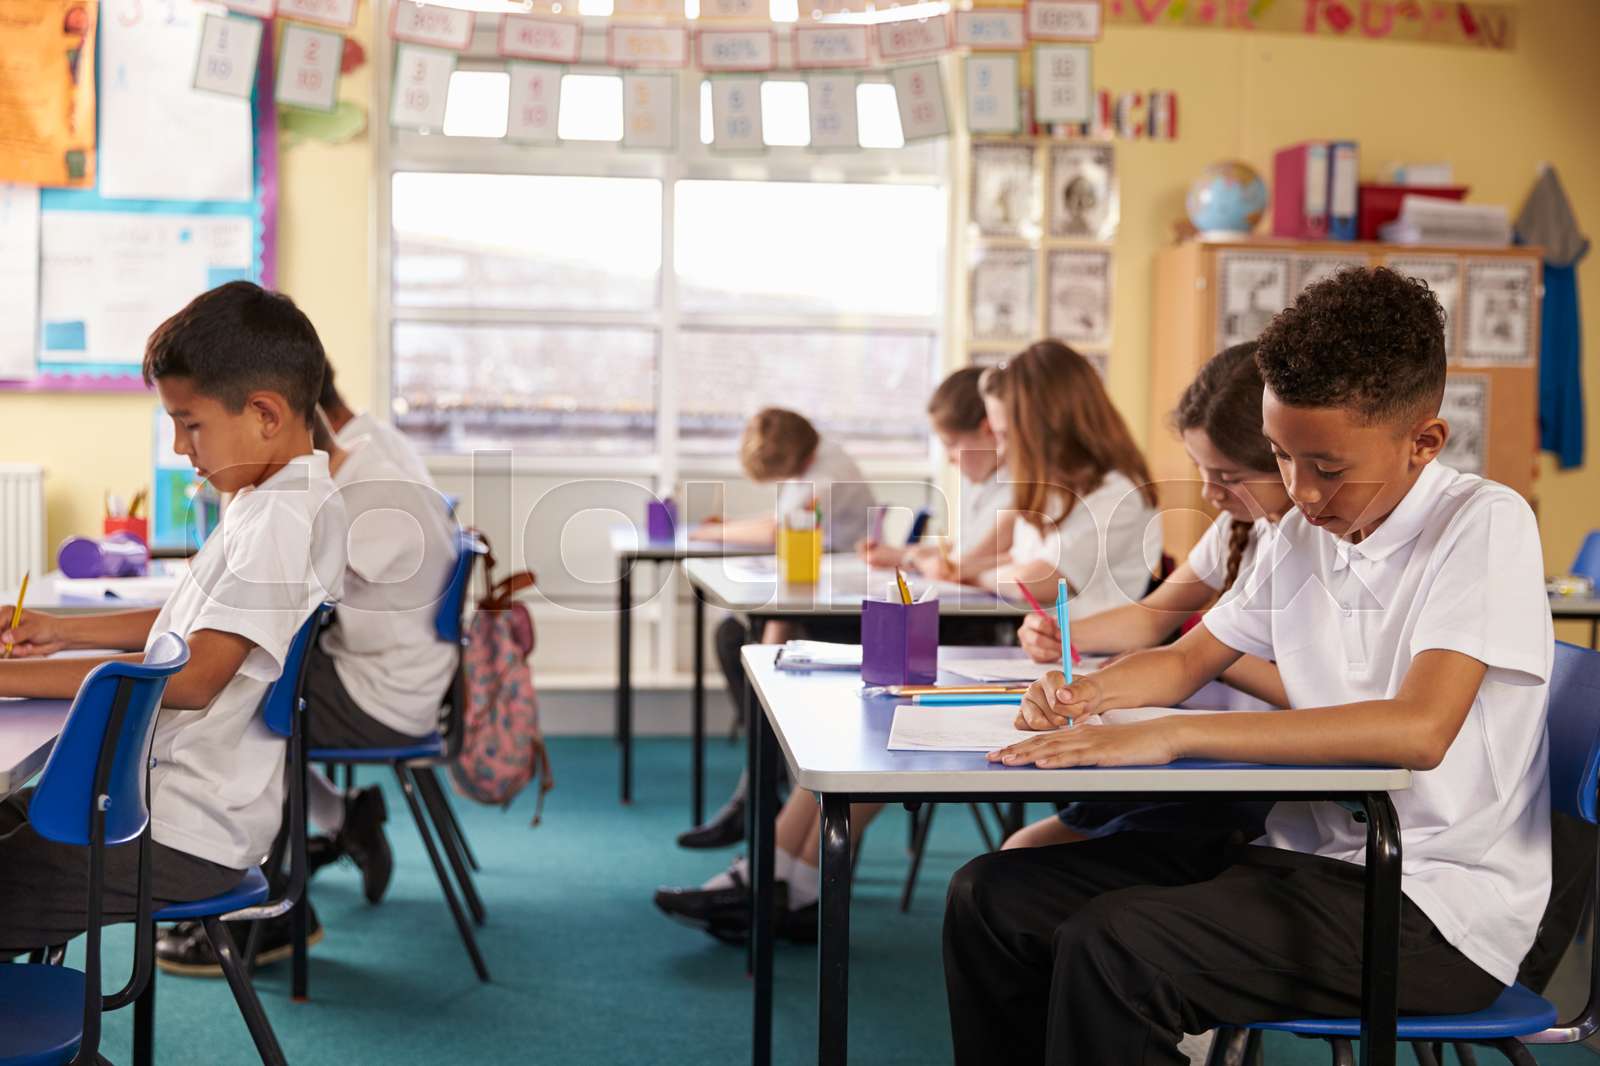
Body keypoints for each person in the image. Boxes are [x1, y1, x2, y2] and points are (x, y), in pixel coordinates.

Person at [943, 267, 1553, 1064]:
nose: (1300, 491)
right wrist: (1083, 691)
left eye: (1328, 467)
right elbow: (1191, 655)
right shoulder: (1299, 532)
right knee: (991, 895)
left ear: (1424, 442)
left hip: (1431, 905)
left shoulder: (1482, 524)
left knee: (1115, 949)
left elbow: (1419, 729)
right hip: (1300, 858)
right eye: (1279, 456)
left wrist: (1170, 737)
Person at [0, 281, 346, 955]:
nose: (182, 448)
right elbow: (191, 618)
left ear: (266, 414)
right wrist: (58, 627)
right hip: (165, 804)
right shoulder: (274, 496)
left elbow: (194, 678)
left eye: (191, 424)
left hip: (181, 829)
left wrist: (14, 678)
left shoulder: (279, 517)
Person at [157, 410, 459, 973]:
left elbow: (298, 595)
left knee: (247, 693)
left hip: (382, 693)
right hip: (383, 668)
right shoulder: (368, 468)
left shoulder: (363, 494)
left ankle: (273, 911)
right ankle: (339, 819)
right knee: (256, 679)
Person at [1005, 342, 1288, 850]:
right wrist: (1062, 632)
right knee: (1025, 846)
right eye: (1201, 470)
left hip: (1260, 773)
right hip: (1213, 751)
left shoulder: (1308, 541)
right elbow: (1152, 619)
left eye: (1226, 477)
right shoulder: (1237, 525)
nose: (1209, 493)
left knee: (1027, 854)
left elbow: (1318, 697)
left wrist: (1214, 655)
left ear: (1284, 459)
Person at [677, 409, 876, 850]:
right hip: (820, 590)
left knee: (762, 636)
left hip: (845, 612)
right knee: (731, 635)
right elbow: (781, 523)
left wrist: (715, 532)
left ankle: (763, 786)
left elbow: (780, 528)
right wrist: (718, 531)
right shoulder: (814, 460)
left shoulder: (829, 473)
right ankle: (761, 782)